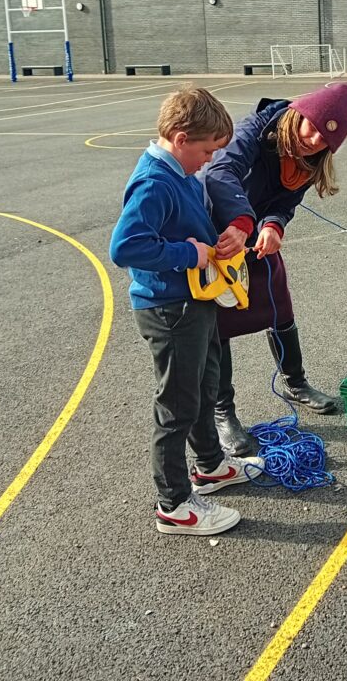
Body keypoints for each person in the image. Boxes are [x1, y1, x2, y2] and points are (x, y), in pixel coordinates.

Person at [109, 84, 264, 537]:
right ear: (180, 137)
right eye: (206, 150)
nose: (210, 160)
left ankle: (211, 466)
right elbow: (126, 246)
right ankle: (173, 505)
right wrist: (187, 254)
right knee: (176, 405)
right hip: (168, 308)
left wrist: (225, 234)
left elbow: (194, 216)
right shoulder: (155, 181)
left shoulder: (179, 171)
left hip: (195, 302)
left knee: (203, 387)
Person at [201, 82, 347, 457]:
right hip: (219, 232)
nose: (314, 140)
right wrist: (242, 222)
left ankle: (295, 382)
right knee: (219, 321)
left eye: (326, 140)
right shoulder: (254, 131)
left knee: (279, 306)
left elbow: (287, 200)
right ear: (301, 113)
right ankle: (223, 413)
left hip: (253, 233)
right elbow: (218, 172)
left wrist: (273, 224)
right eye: (313, 128)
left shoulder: (310, 158)